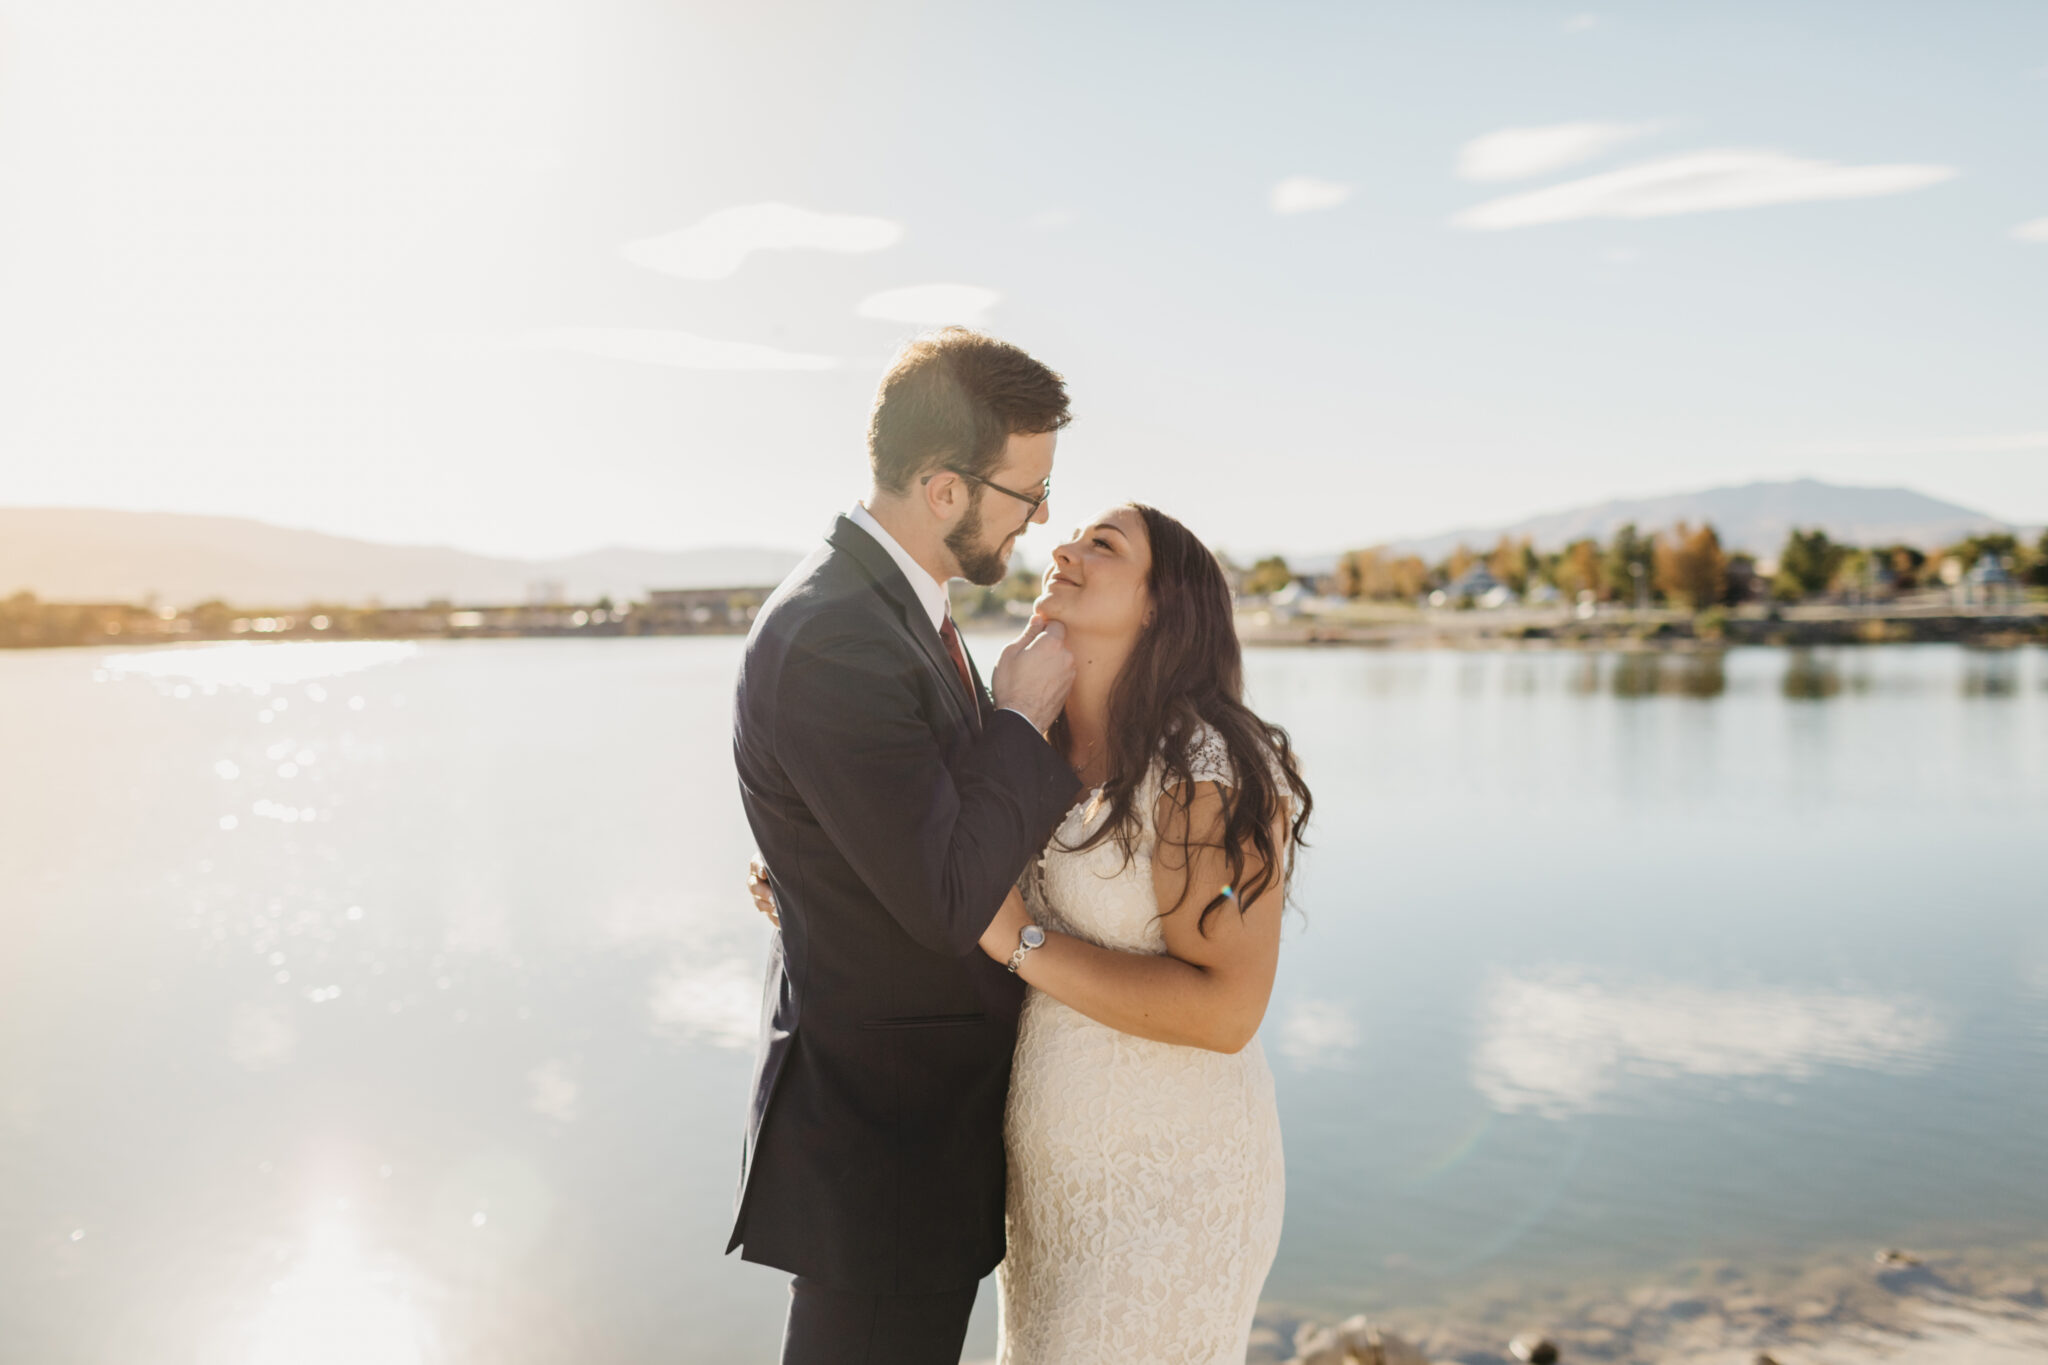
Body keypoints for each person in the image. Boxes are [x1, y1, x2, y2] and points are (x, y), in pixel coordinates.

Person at [752, 502, 1314, 1365]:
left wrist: (1022, 940)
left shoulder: (1205, 766)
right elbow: (941, 885)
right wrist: (822, 893)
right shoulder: (1020, 742)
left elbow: (1228, 1010)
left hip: (1173, 1181)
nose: (1065, 546)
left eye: (1105, 543)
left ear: (1163, 605)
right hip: (1046, 1190)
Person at [728, 327, 1083, 1365]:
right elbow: (943, 898)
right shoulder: (837, 633)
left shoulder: (891, 612)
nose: (1041, 519)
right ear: (942, 488)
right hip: (885, 1153)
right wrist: (1016, 722)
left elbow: (888, 837)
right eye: (1028, 494)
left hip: (912, 1137)